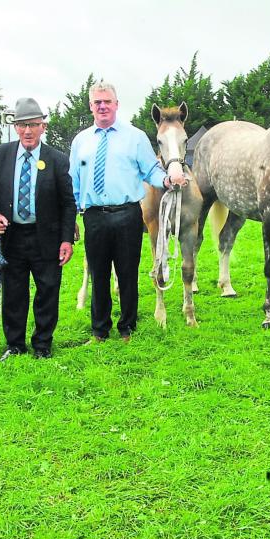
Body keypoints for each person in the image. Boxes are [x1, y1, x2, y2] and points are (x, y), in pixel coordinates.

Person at [69, 80, 185, 342]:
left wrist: (167, 179)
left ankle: (127, 329)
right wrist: (72, 217)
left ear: (116, 105)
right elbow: (73, 179)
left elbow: (151, 170)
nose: (102, 106)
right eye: (97, 102)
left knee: (127, 272)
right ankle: (100, 330)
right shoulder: (81, 141)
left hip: (128, 214)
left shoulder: (135, 137)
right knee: (98, 274)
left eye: (107, 101)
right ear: (90, 106)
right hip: (94, 216)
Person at [0, 97, 77, 359]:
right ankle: (15, 344)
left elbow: (68, 204)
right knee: (14, 293)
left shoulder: (57, 159)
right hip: (12, 237)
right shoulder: (1, 155)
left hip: (46, 237)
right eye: (23, 125)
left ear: (43, 127)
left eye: (34, 125)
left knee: (48, 290)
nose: (28, 131)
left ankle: (42, 344)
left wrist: (66, 240)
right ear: (15, 127)